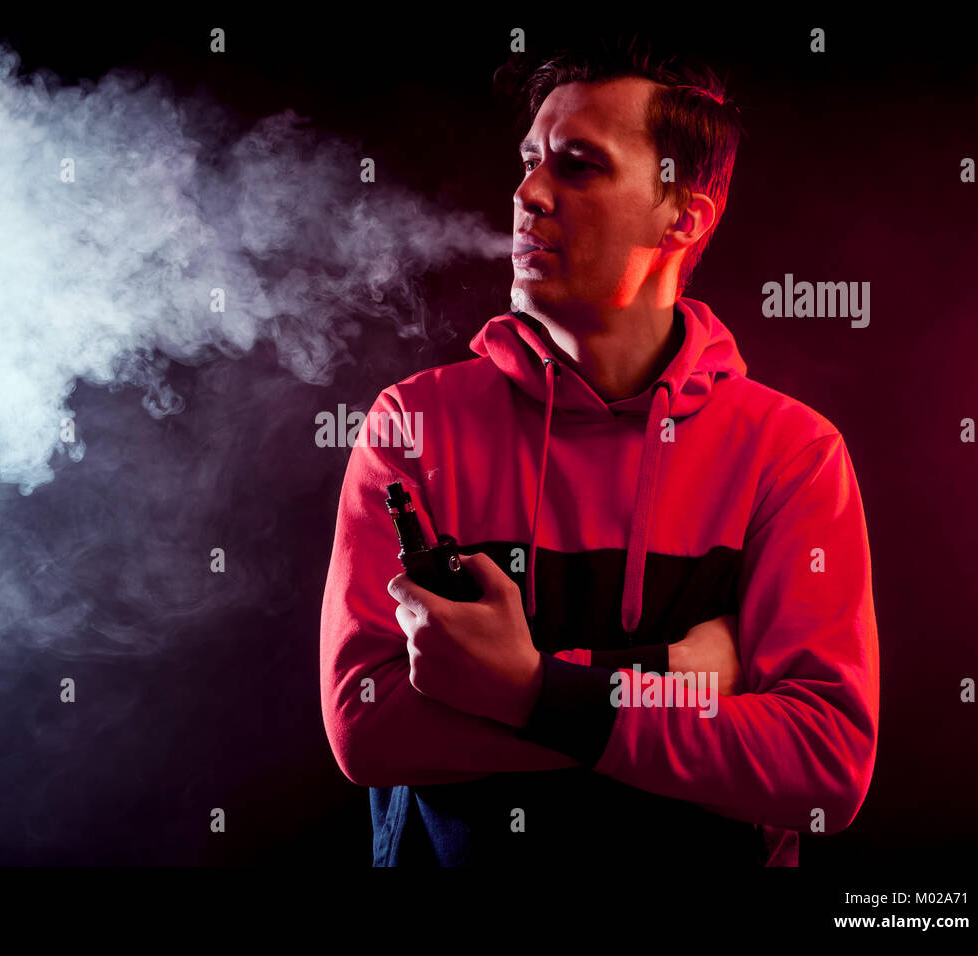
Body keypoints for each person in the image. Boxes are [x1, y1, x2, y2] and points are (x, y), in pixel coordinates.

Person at [318, 41, 879, 866]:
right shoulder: (414, 425)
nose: (527, 194)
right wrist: (671, 673)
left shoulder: (791, 452)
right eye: (530, 161)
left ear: (683, 216)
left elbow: (823, 768)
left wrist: (527, 690)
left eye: (578, 167)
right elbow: (369, 729)